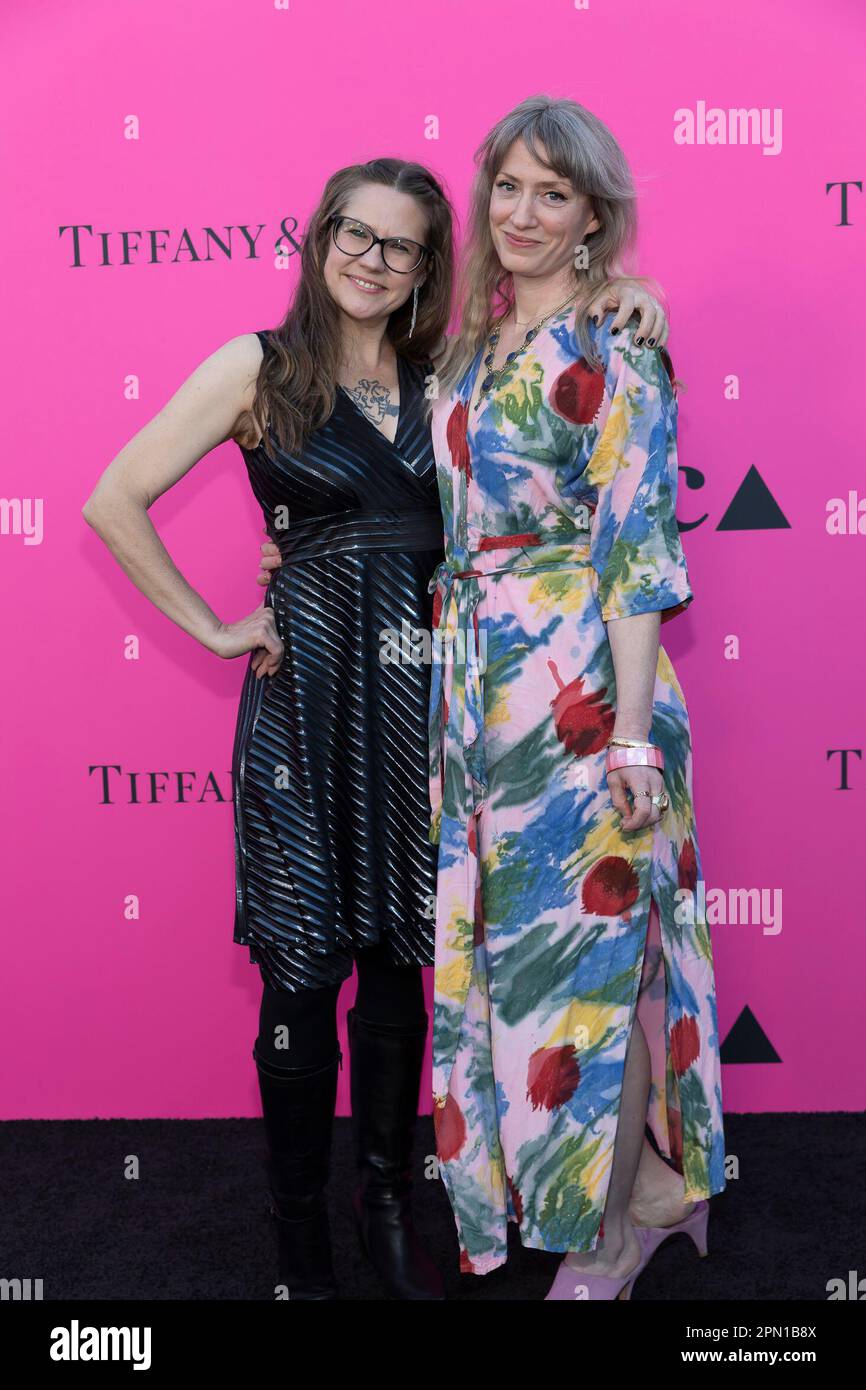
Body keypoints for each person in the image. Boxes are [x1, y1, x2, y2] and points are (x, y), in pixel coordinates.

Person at [83, 150, 669, 1301]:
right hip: (305, 716)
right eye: (353, 233)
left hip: (431, 714)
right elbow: (115, 496)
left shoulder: (444, 370)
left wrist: (616, 294)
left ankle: (392, 1209)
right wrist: (213, 628)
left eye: (399, 245)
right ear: (319, 239)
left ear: (423, 268)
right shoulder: (256, 369)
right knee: (302, 979)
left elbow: (531, 445)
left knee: (406, 972)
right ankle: (298, 1233)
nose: (371, 259)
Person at [425, 95, 727, 1299]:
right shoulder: (467, 350)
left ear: (593, 216)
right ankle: (639, 1190)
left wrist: (636, 735)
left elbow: (635, 554)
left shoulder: (617, 348)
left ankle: (613, 1228)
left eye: (554, 194)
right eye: (507, 185)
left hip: (585, 700)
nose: (522, 212)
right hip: (474, 698)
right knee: (513, 965)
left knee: (596, 966)